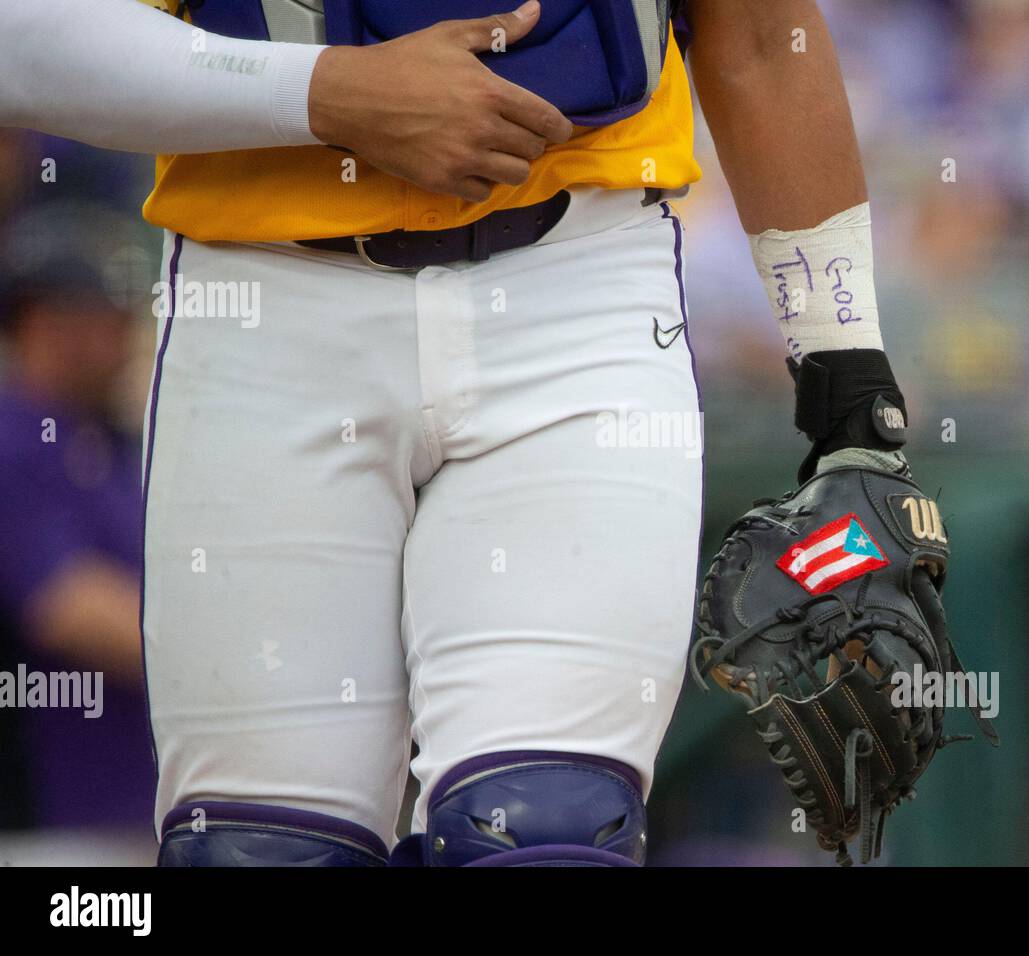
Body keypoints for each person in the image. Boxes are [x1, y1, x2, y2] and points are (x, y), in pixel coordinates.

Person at [0, 0, 927, 865]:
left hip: (578, 284)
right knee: (259, 850)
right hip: (266, 298)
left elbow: (762, 35)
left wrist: (852, 397)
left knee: (549, 830)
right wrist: (327, 93)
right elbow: (28, 40)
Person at [0, 248, 156, 832]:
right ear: (44, 323)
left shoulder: (105, 441)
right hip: (50, 817)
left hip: (131, 808)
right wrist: (246, 665)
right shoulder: (14, 437)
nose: (125, 332)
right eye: (108, 315)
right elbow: (69, 609)